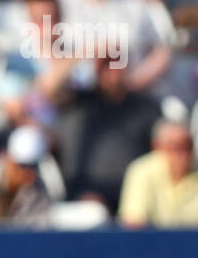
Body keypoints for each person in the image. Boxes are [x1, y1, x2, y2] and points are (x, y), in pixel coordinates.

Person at [54, 56, 162, 212]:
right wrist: (84, 53)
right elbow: (46, 87)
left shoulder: (145, 107)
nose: (111, 71)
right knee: (92, 213)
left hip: (134, 198)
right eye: (105, 65)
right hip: (83, 195)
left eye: (116, 64)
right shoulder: (76, 103)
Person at [118, 120, 198, 228]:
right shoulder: (140, 170)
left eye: (188, 145)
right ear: (156, 147)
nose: (181, 153)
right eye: (173, 146)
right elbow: (134, 223)